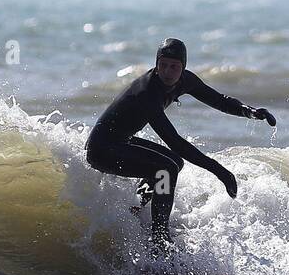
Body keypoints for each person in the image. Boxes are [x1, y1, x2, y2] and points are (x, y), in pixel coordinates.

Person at [86, 38, 276, 256]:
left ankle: (137, 209)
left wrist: (250, 111)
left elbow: (221, 101)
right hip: (102, 150)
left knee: (174, 163)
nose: (167, 71)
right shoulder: (147, 93)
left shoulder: (186, 80)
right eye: (162, 65)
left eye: (174, 66)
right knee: (165, 169)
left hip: (120, 142)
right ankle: (159, 240)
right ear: (156, 65)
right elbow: (174, 141)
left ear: (183, 67)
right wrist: (219, 171)